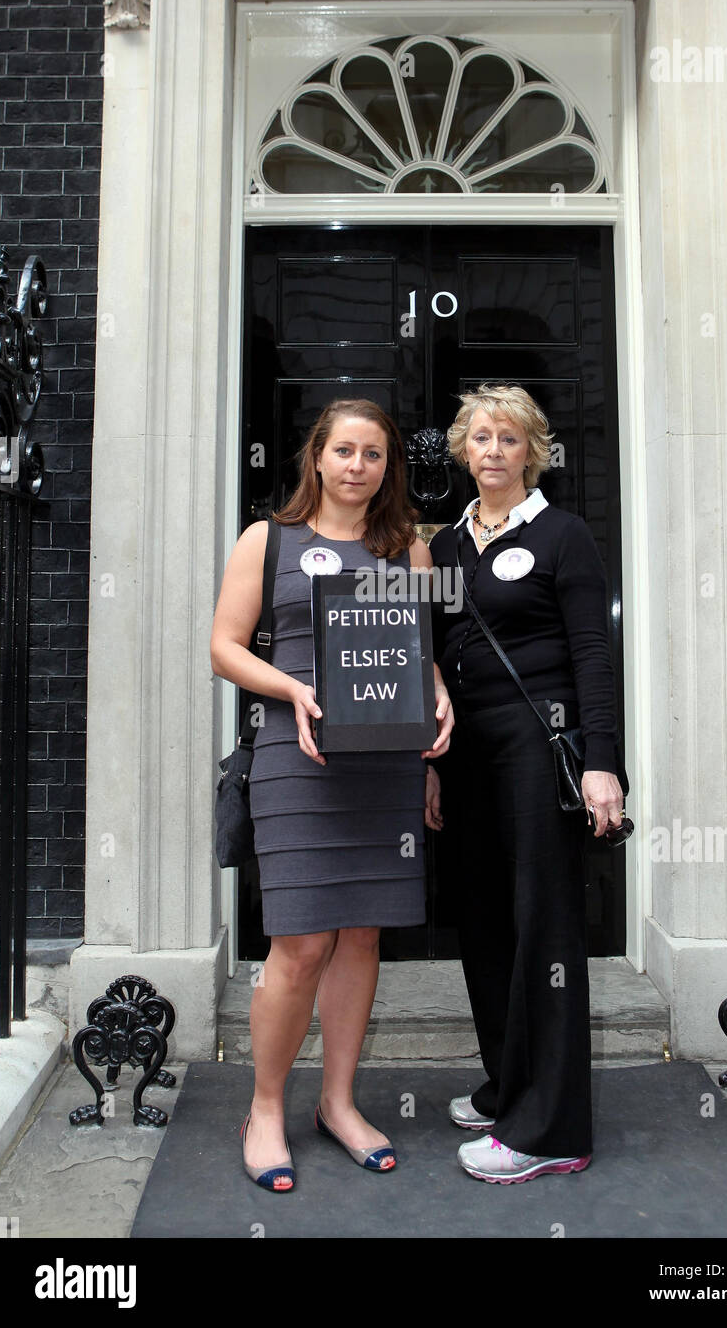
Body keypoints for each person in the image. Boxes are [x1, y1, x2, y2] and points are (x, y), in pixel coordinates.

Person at [210, 399, 453, 1192]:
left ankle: (339, 1104)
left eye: (373, 454)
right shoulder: (267, 540)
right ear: (316, 458)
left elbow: (417, 656)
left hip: (384, 763)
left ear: (388, 467)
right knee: (301, 943)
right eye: (343, 450)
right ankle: (267, 1107)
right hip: (296, 754)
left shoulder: (409, 551)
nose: (357, 466)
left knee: (359, 938)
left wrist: (438, 698)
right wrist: (294, 688)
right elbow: (222, 647)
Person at [426, 383, 626, 1184]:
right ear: (462, 451)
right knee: (483, 922)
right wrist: (430, 768)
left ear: (531, 451)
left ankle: (549, 1132)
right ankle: (511, 1083)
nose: (494, 450)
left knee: (542, 929)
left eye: (509, 438)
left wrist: (603, 763)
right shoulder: (444, 548)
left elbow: (592, 656)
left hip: (538, 749)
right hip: (465, 755)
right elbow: (431, 663)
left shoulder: (563, 536)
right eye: (480, 437)